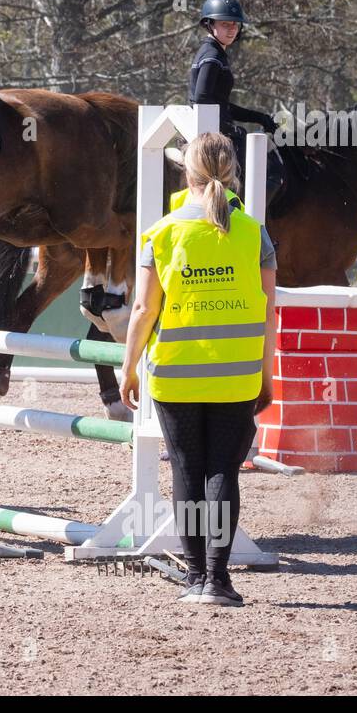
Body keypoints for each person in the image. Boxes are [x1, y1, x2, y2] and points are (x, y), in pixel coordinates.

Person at [119, 132, 278, 606]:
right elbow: (269, 310)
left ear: (184, 174)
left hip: (176, 373)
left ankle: (193, 578)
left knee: (187, 471)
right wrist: (266, 376)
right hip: (236, 374)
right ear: (231, 173)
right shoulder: (253, 232)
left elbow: (143, 311)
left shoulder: (163, 233)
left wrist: (128, 368)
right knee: (222, 472)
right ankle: (218, 578)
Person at [188, 0, 284, 204]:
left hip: (214, 130)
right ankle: (255, 224)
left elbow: (219, 103)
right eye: (225, 24)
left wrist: (257, 117)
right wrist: (227, 132)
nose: (232, 29)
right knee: (273, 172)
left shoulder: (214, 52)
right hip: (215, 137)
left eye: (235, 25)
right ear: (209, 24)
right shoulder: (212, 56)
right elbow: (202, 98)